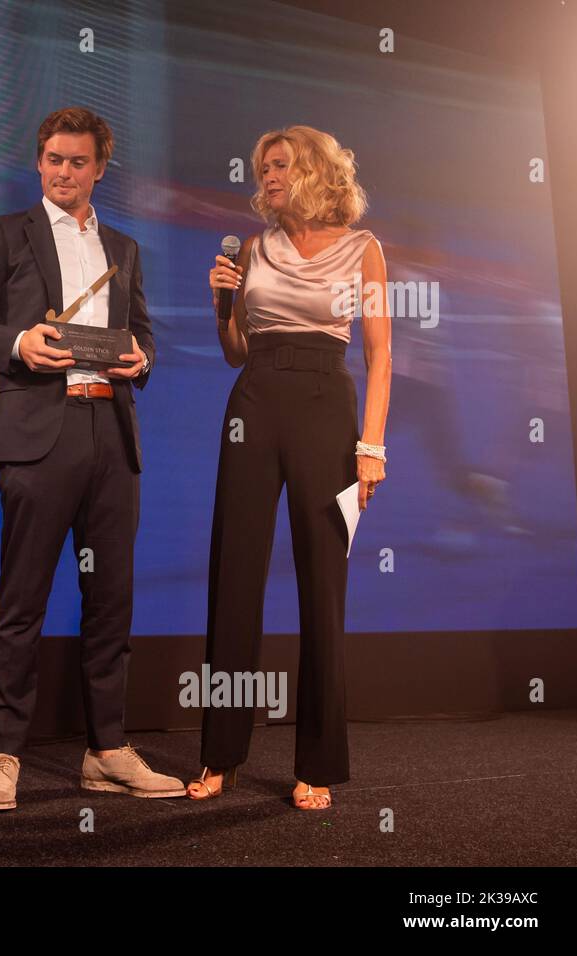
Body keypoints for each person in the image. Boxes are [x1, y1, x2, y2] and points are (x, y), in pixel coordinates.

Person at [0, 107, 184, 811]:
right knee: (21, 600)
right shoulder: (6, 234)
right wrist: (19, 344)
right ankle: (3, 755)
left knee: (110, 600)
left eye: (77, 161)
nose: (62, 172)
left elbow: (139, 332)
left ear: (100, 167)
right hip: (37, 436)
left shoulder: (125, 247)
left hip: (111, 436)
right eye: (52, 158)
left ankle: (106, 749)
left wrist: (141, 358)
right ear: (39, 160)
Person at [192, 125, 391, 810]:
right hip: (256, 397)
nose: (266, 178)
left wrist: (372, 446)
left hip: (327, 407)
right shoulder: (253, 248)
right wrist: (224, 304)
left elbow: (381, 355)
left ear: (311, 170)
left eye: (279, 165)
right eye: (262, 168)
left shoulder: (365, 249)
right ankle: (220, 755)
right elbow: (235, 351)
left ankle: (318, 765)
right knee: (235, 574)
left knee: (322, 584)